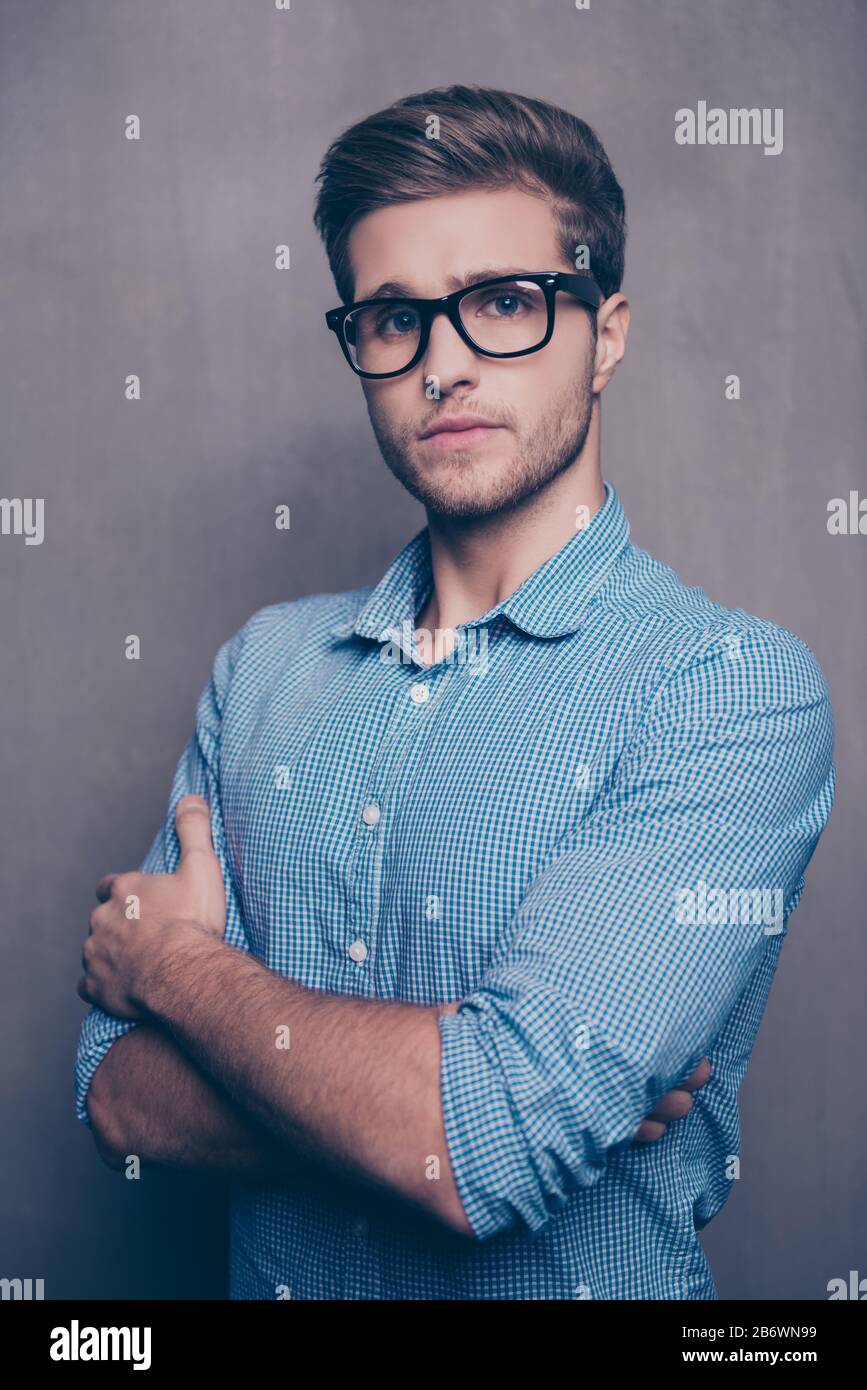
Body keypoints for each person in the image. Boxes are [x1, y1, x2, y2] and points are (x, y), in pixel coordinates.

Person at [75, 85, 835, 1300]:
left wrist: (171, 972)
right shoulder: (262, 669)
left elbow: (481, 1143)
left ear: (610, 330)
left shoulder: (729, 690)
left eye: (504, 303)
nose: (444, 364)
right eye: (392, 318)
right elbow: (118, 1097)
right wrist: (486, 1095)